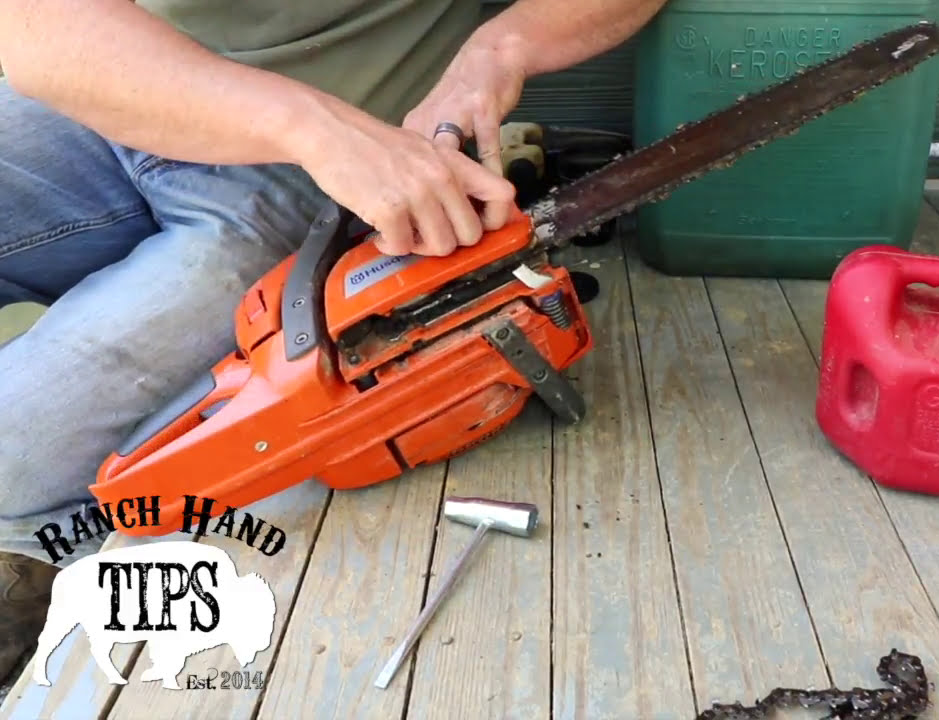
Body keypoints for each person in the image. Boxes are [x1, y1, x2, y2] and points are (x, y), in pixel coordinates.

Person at [0, 0, 669, 682]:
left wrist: (502, 49)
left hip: (325, 180)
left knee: (10, 457)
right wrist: (306, 122)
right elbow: (35, 26)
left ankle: (23, 580)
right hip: (124, 100)